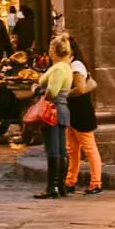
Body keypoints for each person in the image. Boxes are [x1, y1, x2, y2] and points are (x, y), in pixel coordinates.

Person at [32, 36, 76, 199]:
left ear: (55, 50)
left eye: (51, 49)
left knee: (53, 150)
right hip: (62, 108)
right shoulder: (66, 67)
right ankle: (61, 185)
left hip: (53, 109)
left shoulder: (58, 68)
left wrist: (38, 90)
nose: (49, 52)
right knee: (61, 149)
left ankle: (53, 187)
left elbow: (53, 91)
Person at [63, 36, 102, 196]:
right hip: (73, 112)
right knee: (72, 149)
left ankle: (96, 182)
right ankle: (70, 180)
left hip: (80, 111)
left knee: (89, 147)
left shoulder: (76, 65)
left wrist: (63, 94)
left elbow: (80, 88)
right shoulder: (68, 65)